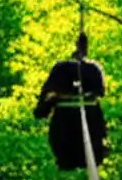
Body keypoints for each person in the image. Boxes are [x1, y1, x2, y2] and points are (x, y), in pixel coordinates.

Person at [33, 32, 109, 170]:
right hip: (85, 133)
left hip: (68, 134)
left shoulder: (61, 70)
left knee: (71, 160)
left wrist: (42, 109)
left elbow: (45, 102)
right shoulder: (92, 70)